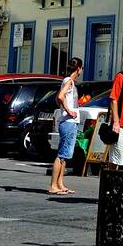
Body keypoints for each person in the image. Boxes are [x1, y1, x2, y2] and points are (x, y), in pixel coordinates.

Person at [48, 57, 85, 195]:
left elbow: (58, 97)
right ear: (78, 69)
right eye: (81, 68)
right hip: (68, 122)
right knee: (62, 155)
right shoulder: (69, 81)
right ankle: (53, 185)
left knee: (65, 155)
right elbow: (60, 97)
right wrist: (69, 111)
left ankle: (60, 184)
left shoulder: (67, 81)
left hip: (68, 122)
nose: (81, 71)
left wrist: (66, 107)